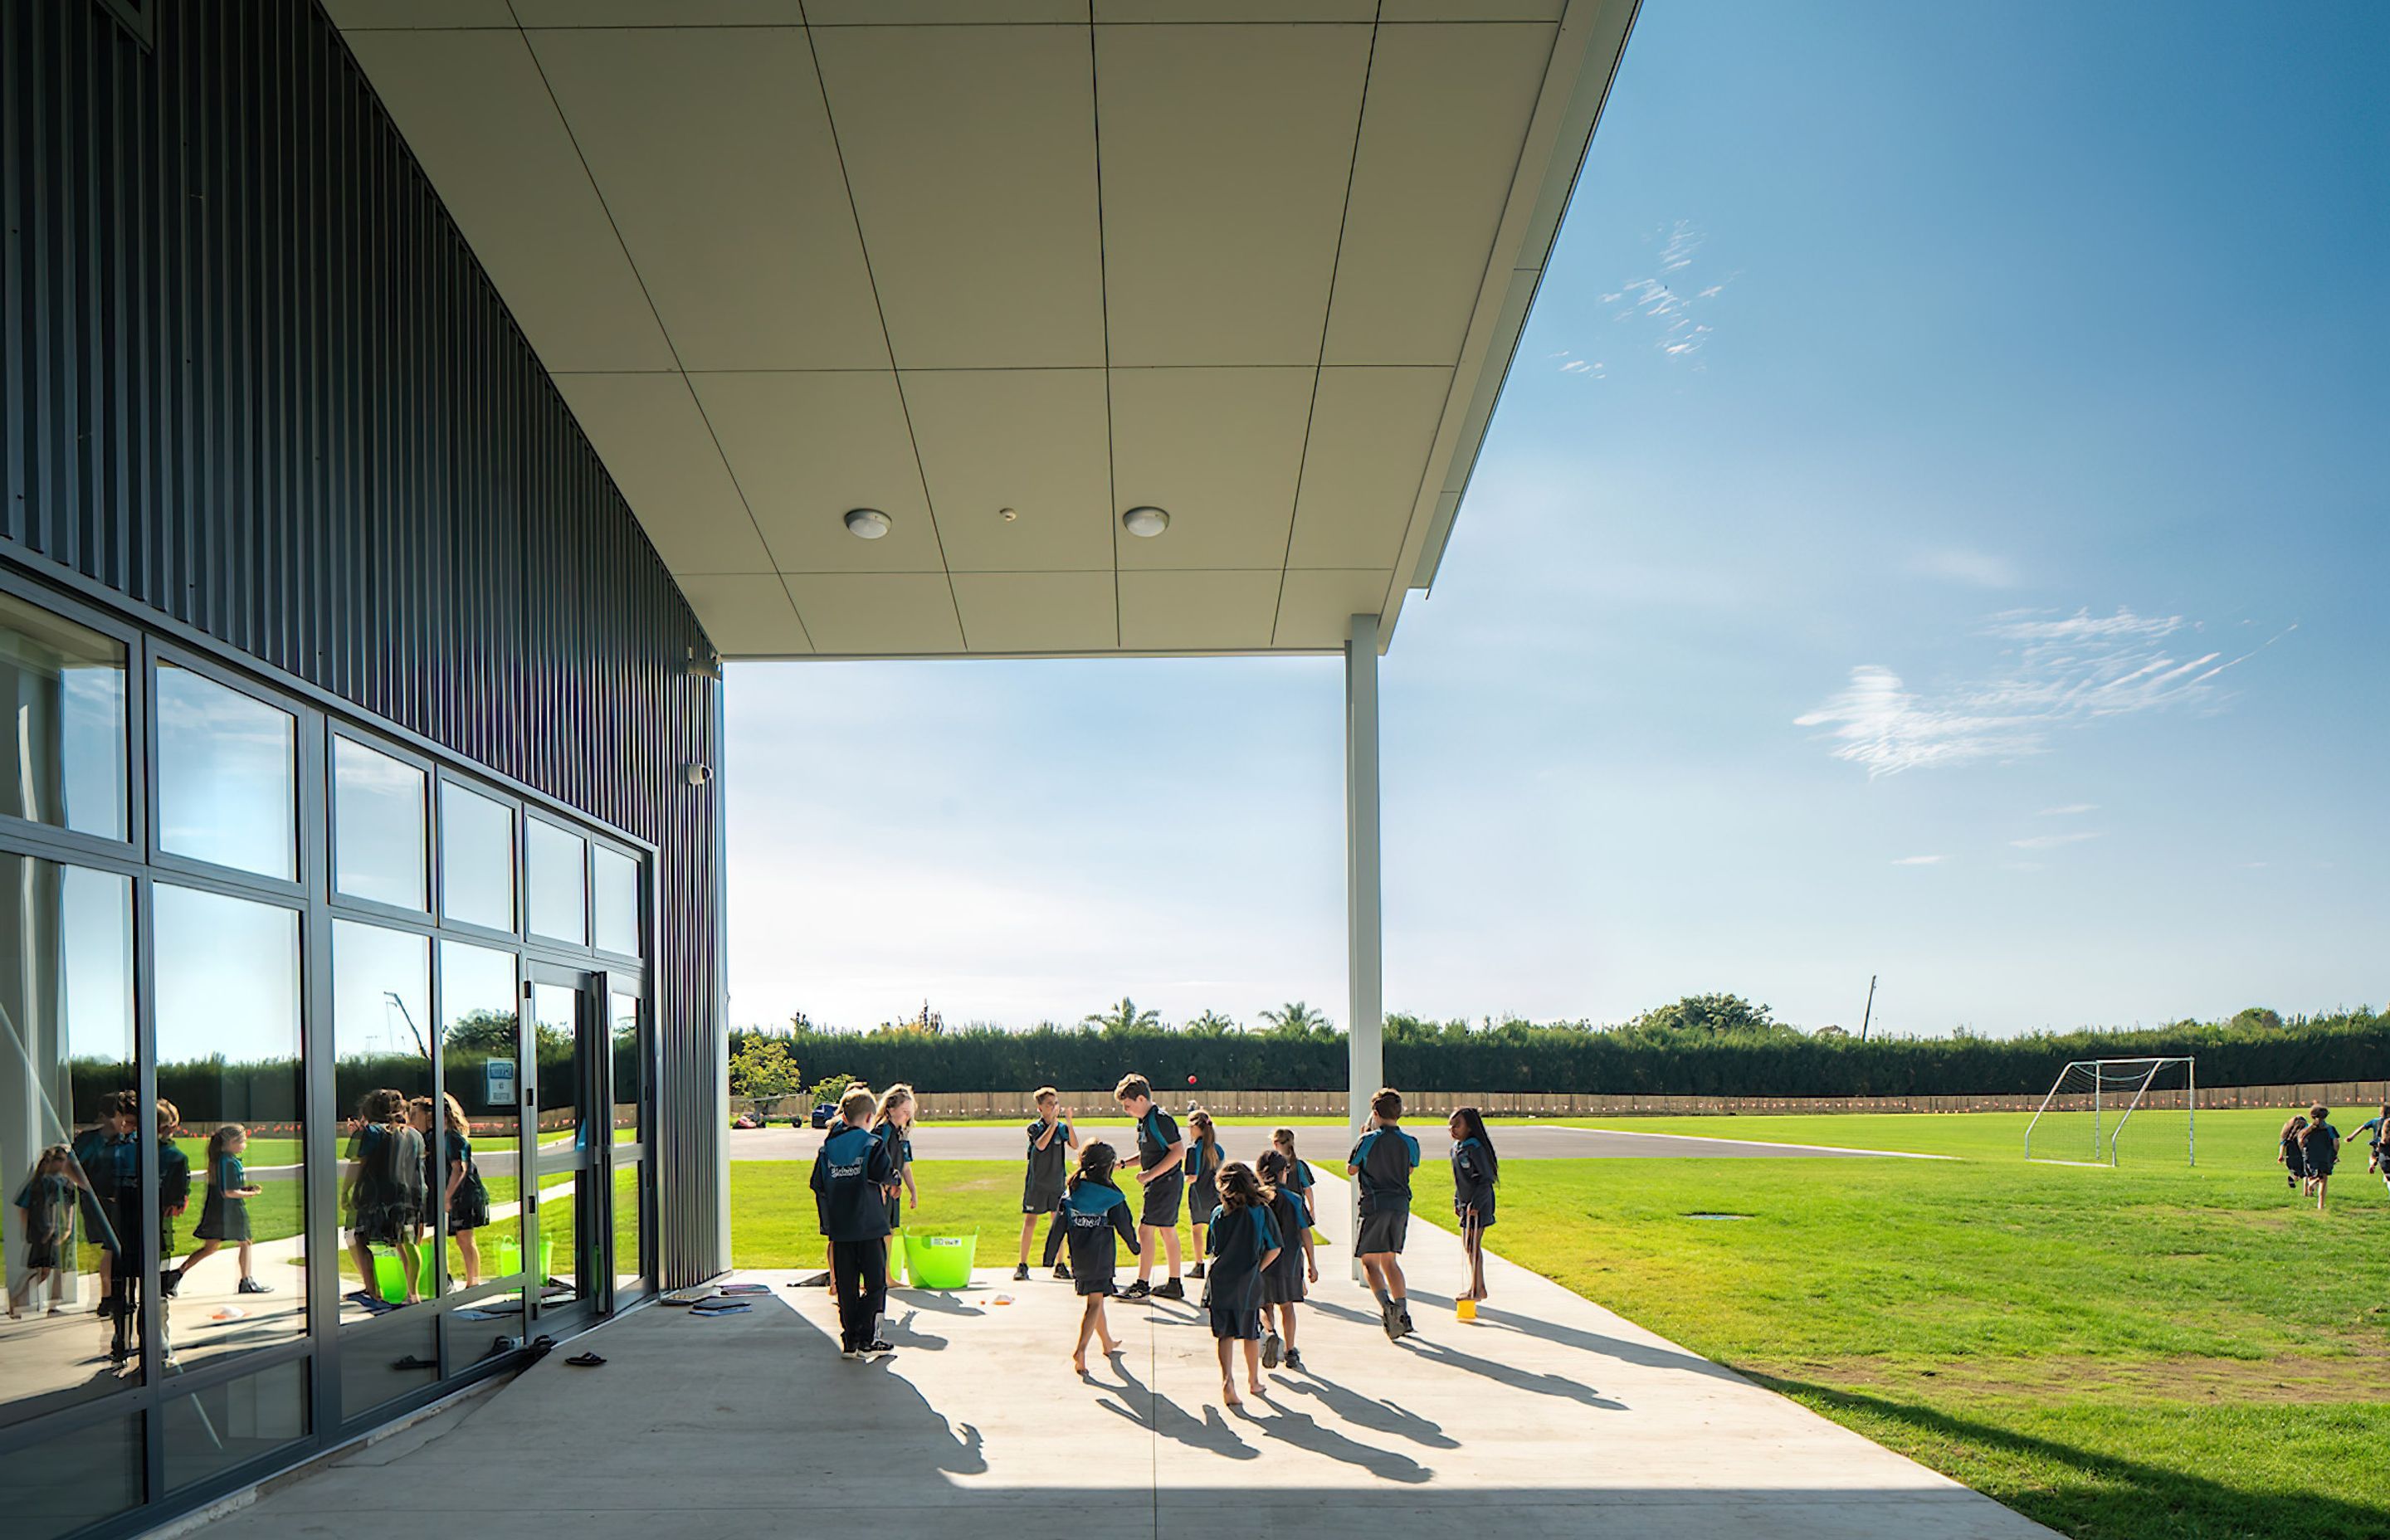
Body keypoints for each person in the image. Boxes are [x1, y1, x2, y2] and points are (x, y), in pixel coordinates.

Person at [811, 1085, 897, 1357]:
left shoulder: (828, 1149)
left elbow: (818, 1184)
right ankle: (867, 1336)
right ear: (871, 1118)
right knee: (874, 1284)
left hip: (841, 1227)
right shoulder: (872, 1144)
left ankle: (849, 1339)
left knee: (847, 1286)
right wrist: (894, 1181)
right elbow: (883, 1173)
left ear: (844, 1117)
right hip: (869, 1225)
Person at [1042, 1141, 1141, 1374]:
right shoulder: (1112, 1197)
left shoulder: (1072, 1193)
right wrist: (1135, 1246)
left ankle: (1107, 1343)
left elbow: (1057, 1227)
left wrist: (1049, 1257)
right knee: (1094, 1304)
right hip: (1101, 1258)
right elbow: (1125, 1226)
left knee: (1096, 1301)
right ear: (1107, 1168)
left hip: (1080, 1258)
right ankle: (1081, 1350)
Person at [1202, 1160, 1281, 1406]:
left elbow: (1211, 1248)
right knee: (1250, 1333)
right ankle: (1253, 1380)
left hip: (1220, 1279)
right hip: (1247, 1280)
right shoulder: (1261, 1211)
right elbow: (1275, 1247)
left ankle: (1227, 1381)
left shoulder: (1218, 1213)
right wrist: (1257, 1269)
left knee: (1224, 1334)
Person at [1348, 1086, 1421, 1340]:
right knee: (1390, 1260)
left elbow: (1352, 1169)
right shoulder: (1410, 1142)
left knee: (1369, 1261)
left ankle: (1387, 1308)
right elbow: (1410, 1169)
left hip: (1375, 1204)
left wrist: (1363, 1137)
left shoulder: (1368, 1140)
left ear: (1375, 1113)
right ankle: (1402, 1310)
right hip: (1400, 1205)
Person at [344, 1089, 427, 1308]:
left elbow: (356, 1164)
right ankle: (413, 1293)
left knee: (355, 1237)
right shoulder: (415, 1134)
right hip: (410, 1196)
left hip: (376, 1196)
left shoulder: (370, 1132)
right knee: (407, 1243)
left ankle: (373, 1290)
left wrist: (345, 1192)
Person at [166, 1124, 267, 1297]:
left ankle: (175, 1275)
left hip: (217, 1210)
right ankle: (246, 1281)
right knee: (245, 1242)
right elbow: (228, 1192)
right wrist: (251, 1194)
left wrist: (245, 1189)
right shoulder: (228, 1162)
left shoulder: (222, 1160)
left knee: (211, 1247)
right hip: (230, 1210)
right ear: (230, 1143)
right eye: (242, 1141)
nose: (245, 1144)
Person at [1115, 1075, 1187, 1300]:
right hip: (1160, 1182)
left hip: (1164, 1183)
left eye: (1128, 1105)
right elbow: (1151, 1153)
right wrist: (1126, 1163)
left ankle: (1142, 1284)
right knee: (1167, 1230)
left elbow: (1178, 1152)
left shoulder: (1161, 1120)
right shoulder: (1145, 1121)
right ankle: (1174, 1283)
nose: (1126, 1110)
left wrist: (1150, 1174)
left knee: (1145, 1230)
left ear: (1141, 1099)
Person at [415, 1094, 491, 1288]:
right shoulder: (437, 1136)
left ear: (445, 1115)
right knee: (459, 1238)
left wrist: (446, 1197)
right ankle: (457, 1281)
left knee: (465, 1238)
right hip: (455, 1192)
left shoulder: (453, 1138)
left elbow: (460, 1169)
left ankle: (474, 1282)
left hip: (464, 1193)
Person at [1255, 1148, 1317, 1372]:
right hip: (1289, 1262)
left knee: (1264, 1305)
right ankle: (1290, 1351)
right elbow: (1305, 1233)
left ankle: (1270, 1332)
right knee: (1287, 1307)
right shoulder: (1294, 1199)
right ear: (1284, 1172)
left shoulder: (1257, 1199)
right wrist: (1312, 1263)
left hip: (1263, 1261)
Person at [1015, 1087, 1078, 1281]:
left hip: (1056, 1183)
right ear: (1040, 1108)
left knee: (1057, 1223)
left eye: (1055, 1103)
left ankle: (1060, 1264)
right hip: (1037, 1184)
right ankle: (1023, 1264)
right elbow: (1041, 1146)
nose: (1053, 1107)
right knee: (1030, 1221)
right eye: (1049, 1104)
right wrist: (1053, 1125)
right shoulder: (1035, 1128)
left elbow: (1075, 1145)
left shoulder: (1061, 1129)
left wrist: (1068, 1122)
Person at [8, 1143, 76, 1318]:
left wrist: (68, 1228)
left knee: (51, 1270)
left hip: (57, 1233)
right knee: (43, 1270)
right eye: (60, 1160)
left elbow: (69, 1207)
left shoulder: (63, 1182)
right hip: (45, 1233)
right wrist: (31, 1231)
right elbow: (23, 1208)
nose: (63, 1164)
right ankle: (19, 1299)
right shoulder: (40, 1183)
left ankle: (47, 1304)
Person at [1449, 1106, 1499, 1304]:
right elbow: (1460, 1180)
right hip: (1465, 1204)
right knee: (1469, 1246)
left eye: (1457, 1125)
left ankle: (1477, 1289)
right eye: (1451, 1125)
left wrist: (1476, 1203)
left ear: (1469, 1127)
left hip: (1479, 1203)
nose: (1453, 1129)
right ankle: (1479, 1287)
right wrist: (1457, 1201)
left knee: (1472, 1246)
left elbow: (1485, 1179)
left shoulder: (1475, 1148)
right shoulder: (1457, 1148)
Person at [871, 1084, 918, 1270]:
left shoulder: (902, 1135)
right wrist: (883, 1186)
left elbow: (905, 1166)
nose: (908, 1116)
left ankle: (886, 1273)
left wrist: (913, 1190)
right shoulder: (883, 1131)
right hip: (883, 1189)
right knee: (880, 1232)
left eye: (910, 1112)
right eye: (904, 1111)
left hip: (893, 1189)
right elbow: (878, 1162)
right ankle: (879, 1273)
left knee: (890, 1231)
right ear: (890, 1109)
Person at [1184, 1109, 1223, 1279]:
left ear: (1196, 1128)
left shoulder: (1193, 1150)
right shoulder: (1218, 1149)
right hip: (1216, 1193)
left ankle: (1199, 1264)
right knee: (1216, 1228)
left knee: (1197, 1229)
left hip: (1199, 1194)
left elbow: (1192, 1177)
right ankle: (1217, 1262)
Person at [2300, 1104, 2340, 1211]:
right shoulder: (2330, 1129)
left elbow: (2301, 1141)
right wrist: (2334, 1154)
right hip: (2325, 1156)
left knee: (2313, 1174)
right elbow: (2336, 1143)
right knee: (2323, 1179)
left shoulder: (2307, 1129)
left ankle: (2311, 1184)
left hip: (2311, 1156)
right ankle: (2320, 1205)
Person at [2344, 1104, 2390, 1188]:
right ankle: (2385, 1173)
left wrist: (2351, 1137)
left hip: (2377, 1145)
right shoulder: (2389, 1122)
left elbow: (2362, 1127)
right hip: (2386, 1145)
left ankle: (2373, 1164)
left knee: (2374, 1156)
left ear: (2381, 1112)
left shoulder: (2375, 1120)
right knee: (2386, 1166)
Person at [2279, 1114, 2309, 1191]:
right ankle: (2307, 1192)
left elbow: (2283, 1144)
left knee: (2297, 1173)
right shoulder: (2304, 1135)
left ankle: (2292, 1178)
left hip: (2290, 1158)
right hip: (2301, 1157)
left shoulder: (2288, 1137)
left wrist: (2281, 1155)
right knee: (2305, 1174)